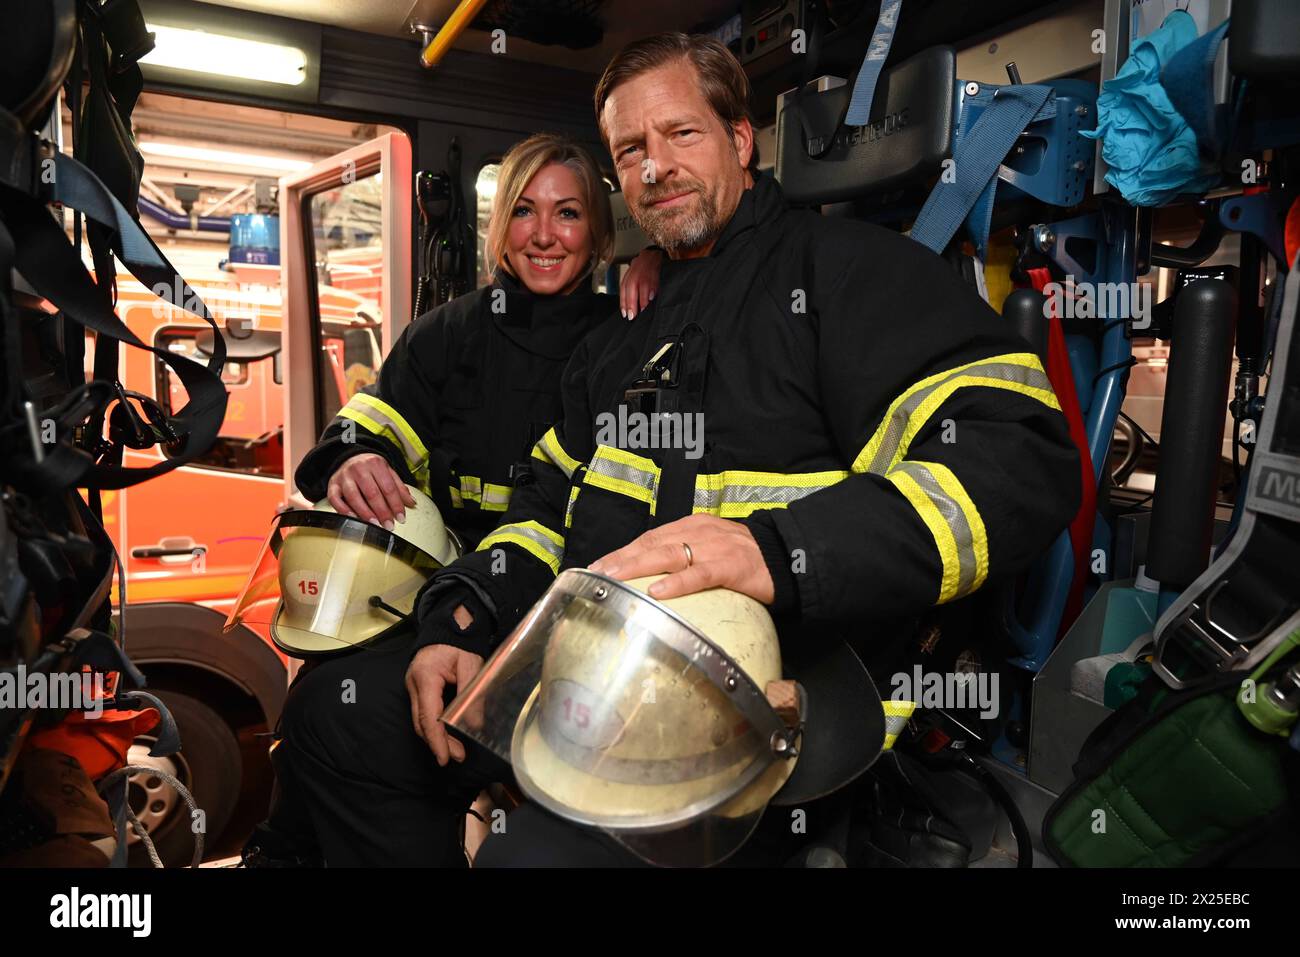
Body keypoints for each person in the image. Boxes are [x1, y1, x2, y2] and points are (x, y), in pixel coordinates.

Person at [278, 32, 1082, 868]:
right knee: (342, 715)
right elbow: (546, 508)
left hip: (767, 719)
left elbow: (1018, 454)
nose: (655, 166)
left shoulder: (852, 276)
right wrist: (464, 616)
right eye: (631, 150)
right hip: (598, 681)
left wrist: (781, 550)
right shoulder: (620, 342)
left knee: (528, 858)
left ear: (741, 140)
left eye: (681, 135)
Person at [240, 132, 660, 866]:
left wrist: (661, 273)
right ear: (500, 227)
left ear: (597, 230)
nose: (543, 234)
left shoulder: (624, 339)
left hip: (568, 621)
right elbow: (360, 428)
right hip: (445, 603)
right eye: (524, 211)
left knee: (351, 716)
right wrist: (356, 457)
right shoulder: (449, 334)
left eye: (567, 214)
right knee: (320, 688)